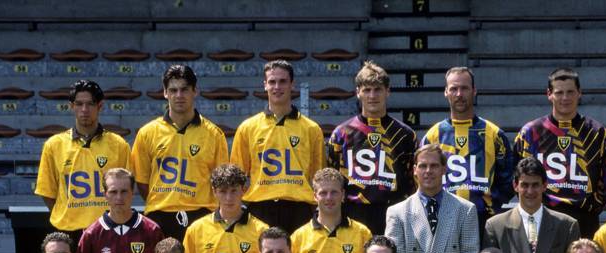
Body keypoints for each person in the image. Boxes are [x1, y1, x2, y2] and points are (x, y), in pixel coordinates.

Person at [29, 80, 130, 253]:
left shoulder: (118, 145)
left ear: (100, 106)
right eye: (79, 104)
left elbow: (126, 190)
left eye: (91, 104)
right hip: (68, 233)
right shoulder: (54, 145)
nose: (85, 110)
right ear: (71, 106)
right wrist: (69, 214)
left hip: (106, 231)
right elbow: (48, 193)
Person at [514, 68, 606, 239]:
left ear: (579, 93)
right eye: (559, 92)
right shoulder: (530, 133)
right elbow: (516, 173)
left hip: (584, 220)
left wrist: (592, 208)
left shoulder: (596, 132)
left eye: (570, 92)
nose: (565, 98)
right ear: (549, 94)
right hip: (542, 217)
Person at [130, 64, 229, 241]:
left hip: (201, 214)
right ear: (165, 93)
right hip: (159, 214)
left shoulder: (214, 134)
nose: (179, 96)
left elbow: (220, 181)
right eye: (173, 90)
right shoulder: (147, 133)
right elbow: (142, 182)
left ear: (195, 91)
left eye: (184, 90)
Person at [230, 60, 325, 234]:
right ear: (265, 85)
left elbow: (318, 177)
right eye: (272, 82)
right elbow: (237, 175)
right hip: (260, 207)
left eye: (282, 81)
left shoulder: (311, 129)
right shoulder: (248, 127)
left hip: (299, 209)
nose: (277, 87)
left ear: (292, 84)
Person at [328, 60, 417, 236]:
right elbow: (332, 176)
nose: (372, 95)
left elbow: (412, 183)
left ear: (388, 91)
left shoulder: (405, 135)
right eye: (367, 90)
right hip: (353, 213)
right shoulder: (342, 133)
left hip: (393, 214)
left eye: (378, 90)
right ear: (358, 93)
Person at [421, 66, 514, 233]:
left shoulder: (494, 134)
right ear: (446, 92)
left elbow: (508, 179)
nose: (459, 94)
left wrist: (490, 205)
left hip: (484, 220)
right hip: (443, 219)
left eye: (464, 88)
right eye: (454, 89)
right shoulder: (433, 135)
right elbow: (421, 179)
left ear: (474, 91)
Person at [483, 157, 580, 253]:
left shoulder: (567, 225)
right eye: (524, 185)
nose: (530, 191)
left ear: (545, 186)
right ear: (515, 185)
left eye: (535, 185)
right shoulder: (495, 226)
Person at [290, 168, 373, 253]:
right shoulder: (298, 237)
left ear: (343, 195)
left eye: (334, 192)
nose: (329, 197)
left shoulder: (362, 233)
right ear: (315, 196)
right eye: (323, 193)